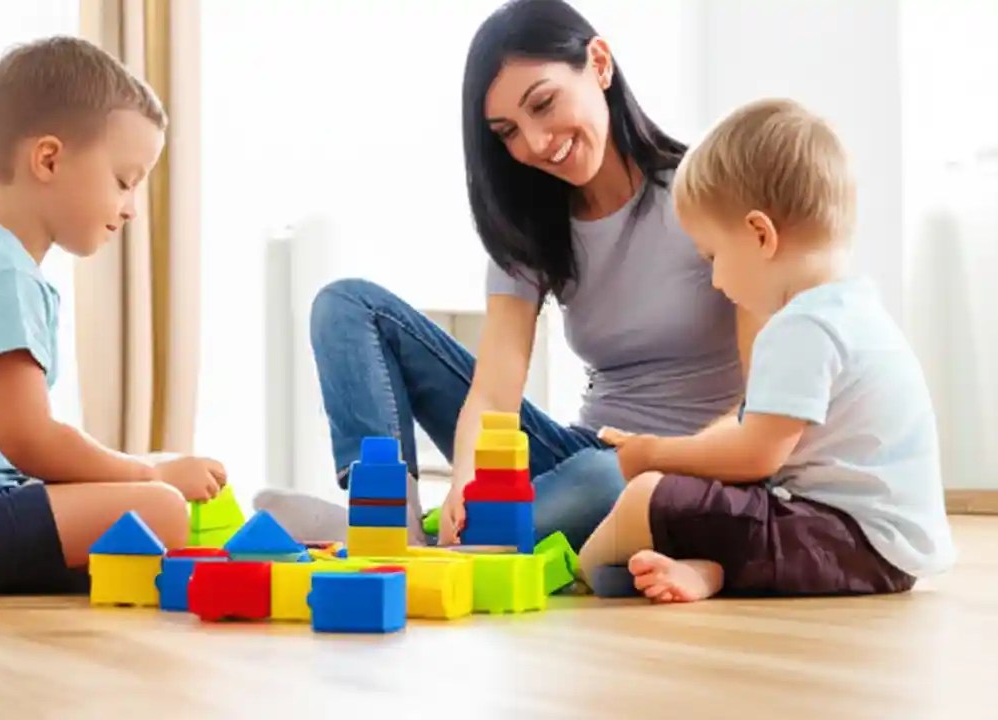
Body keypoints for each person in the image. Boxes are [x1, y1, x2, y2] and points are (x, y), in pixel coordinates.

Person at [254, 0, 756, 551]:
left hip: (682, 469)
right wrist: (468, 482)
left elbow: (761, 398)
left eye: (543, 104)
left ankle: (424, 544)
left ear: (600, 65)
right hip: (578, 453)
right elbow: (494, 391)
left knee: (600, 479)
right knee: (348, 305)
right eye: (508, 131)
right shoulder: (532, 224)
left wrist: (673, 458)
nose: (536, 143)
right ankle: (388, 521)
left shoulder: (705, 195)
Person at [0, 37, 227, 596]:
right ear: (49, 159)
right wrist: (149, 476)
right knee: (161, 507)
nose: (130, 207)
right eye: (124, 181)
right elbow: (29, 439)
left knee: (148, 498)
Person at [577, 98, 958, 602]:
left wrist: (652, 454)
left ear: (760, 234)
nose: (713, 278)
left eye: (713, 255)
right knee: (713, 501)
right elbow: (762, 445)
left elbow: (756, 454)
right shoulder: (853, 308)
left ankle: (578, 572)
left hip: (851, 541)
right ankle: (711, 571)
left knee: (645, 498)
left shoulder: (802, 326)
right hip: (867, 543)